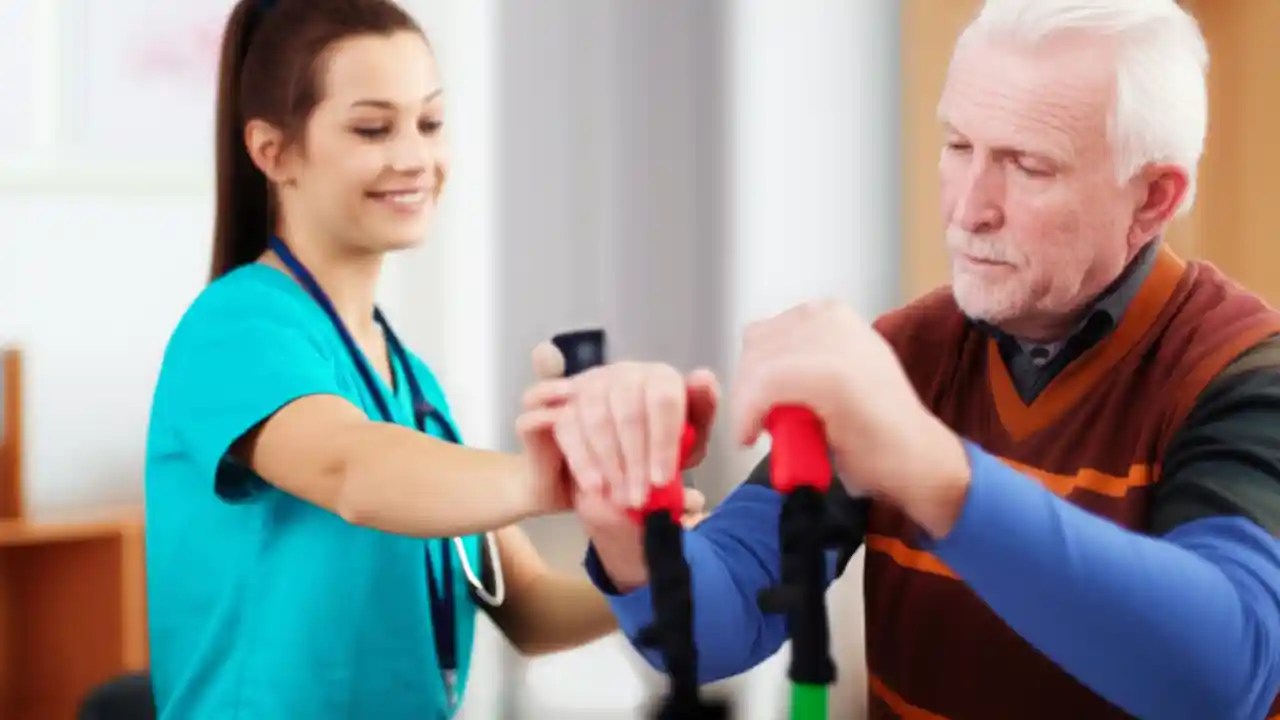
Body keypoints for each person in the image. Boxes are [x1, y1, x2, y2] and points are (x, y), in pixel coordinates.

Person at [519, 0, 1280, 718]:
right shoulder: (904, 356)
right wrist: (632, 525)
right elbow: (720, 627)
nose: (968, 206)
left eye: (1028, 165)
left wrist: (928, 468)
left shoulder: (1242, 374)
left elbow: (1219, 680)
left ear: (1153, 197)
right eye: (958, 146)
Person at [142, 1, 710, 717]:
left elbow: (526, 606)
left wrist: (658, 569)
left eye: (430, 122)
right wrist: (541, 479)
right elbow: (352, 470)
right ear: (272, 151)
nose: (414, 157)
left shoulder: (411, 384)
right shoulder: (234, 329)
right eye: (373, 128)